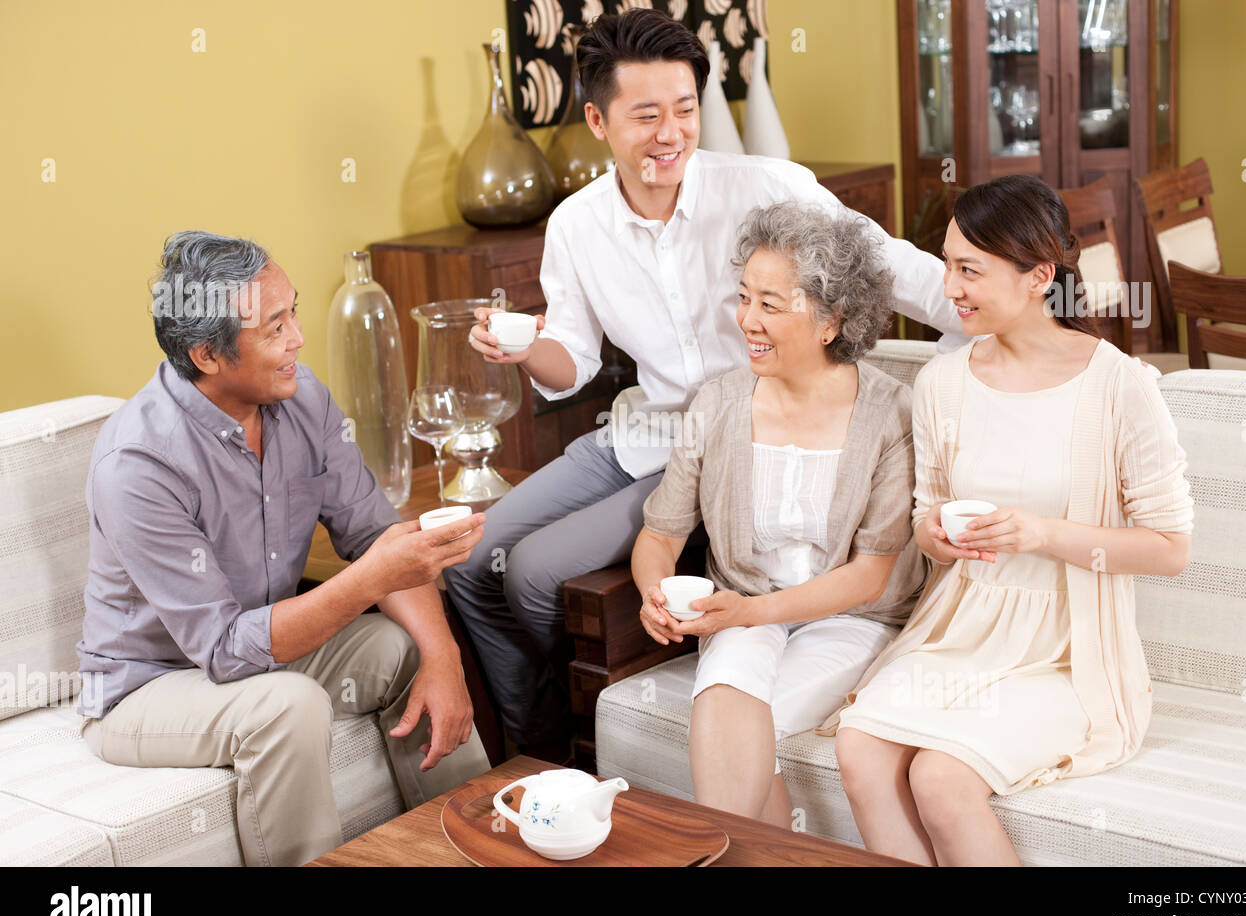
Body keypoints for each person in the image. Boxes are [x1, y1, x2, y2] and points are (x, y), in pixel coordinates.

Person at [443, 7, 967, 760]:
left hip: (730, 438)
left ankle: (559, 746)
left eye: (685, 109)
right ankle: (524, 743)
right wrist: (520, 351)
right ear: (597, 118)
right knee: (468, 562)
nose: (671, 133)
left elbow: (889, 265)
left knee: (529, 573)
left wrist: (1003, 327)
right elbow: (573, 359)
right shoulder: (577, 225)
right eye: (646, 114)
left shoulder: (763, 186)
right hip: (643, 433)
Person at [77, 230, 492, 866]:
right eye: (276, 327)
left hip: (254, 654)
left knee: (402, 646)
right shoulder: (138, 465)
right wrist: (371, 579)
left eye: (292, 310)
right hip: (149, 688)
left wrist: (444, 656)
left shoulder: (302, 401)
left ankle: (475, 853)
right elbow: (220, 650)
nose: (298, 337)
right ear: (207, 356)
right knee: (288, 706)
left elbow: (374, 535)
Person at [825, 174, 1194, 866]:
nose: (951, 287)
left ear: (1038, 277)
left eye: (970, 270)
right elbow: (926, 516)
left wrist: (1042, 534)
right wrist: (933, 535)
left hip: (1066, 651)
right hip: (961, 635)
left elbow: (1172, 547)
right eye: (947, 266)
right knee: (860, 748)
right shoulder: (943, 382)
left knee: (940, 776)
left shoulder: (1119, 386)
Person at [629, 201, 927, 826]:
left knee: (744, 716)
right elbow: (660, 534)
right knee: (727, 689)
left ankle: (728, 852)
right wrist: (654, 593)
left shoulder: (891, 414)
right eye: (744, 297)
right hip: (744, 606)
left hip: (852, 617)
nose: (746, 320)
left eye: (770, 303)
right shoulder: (717, 404)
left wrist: (749, 614)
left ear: (830, 322)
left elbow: (871, 575)